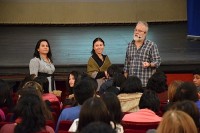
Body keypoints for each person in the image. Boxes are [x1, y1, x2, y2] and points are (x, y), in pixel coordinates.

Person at [123, 21, 161, 87]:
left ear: (145, 33)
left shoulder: (151, 45)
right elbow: (126, 66)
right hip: (131, 86)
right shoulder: (130, 45)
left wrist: (149, 64)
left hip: (145, 85)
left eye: (140, 31)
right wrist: (125, 82)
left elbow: (158, 61)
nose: (136, 32)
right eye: (136, 30)